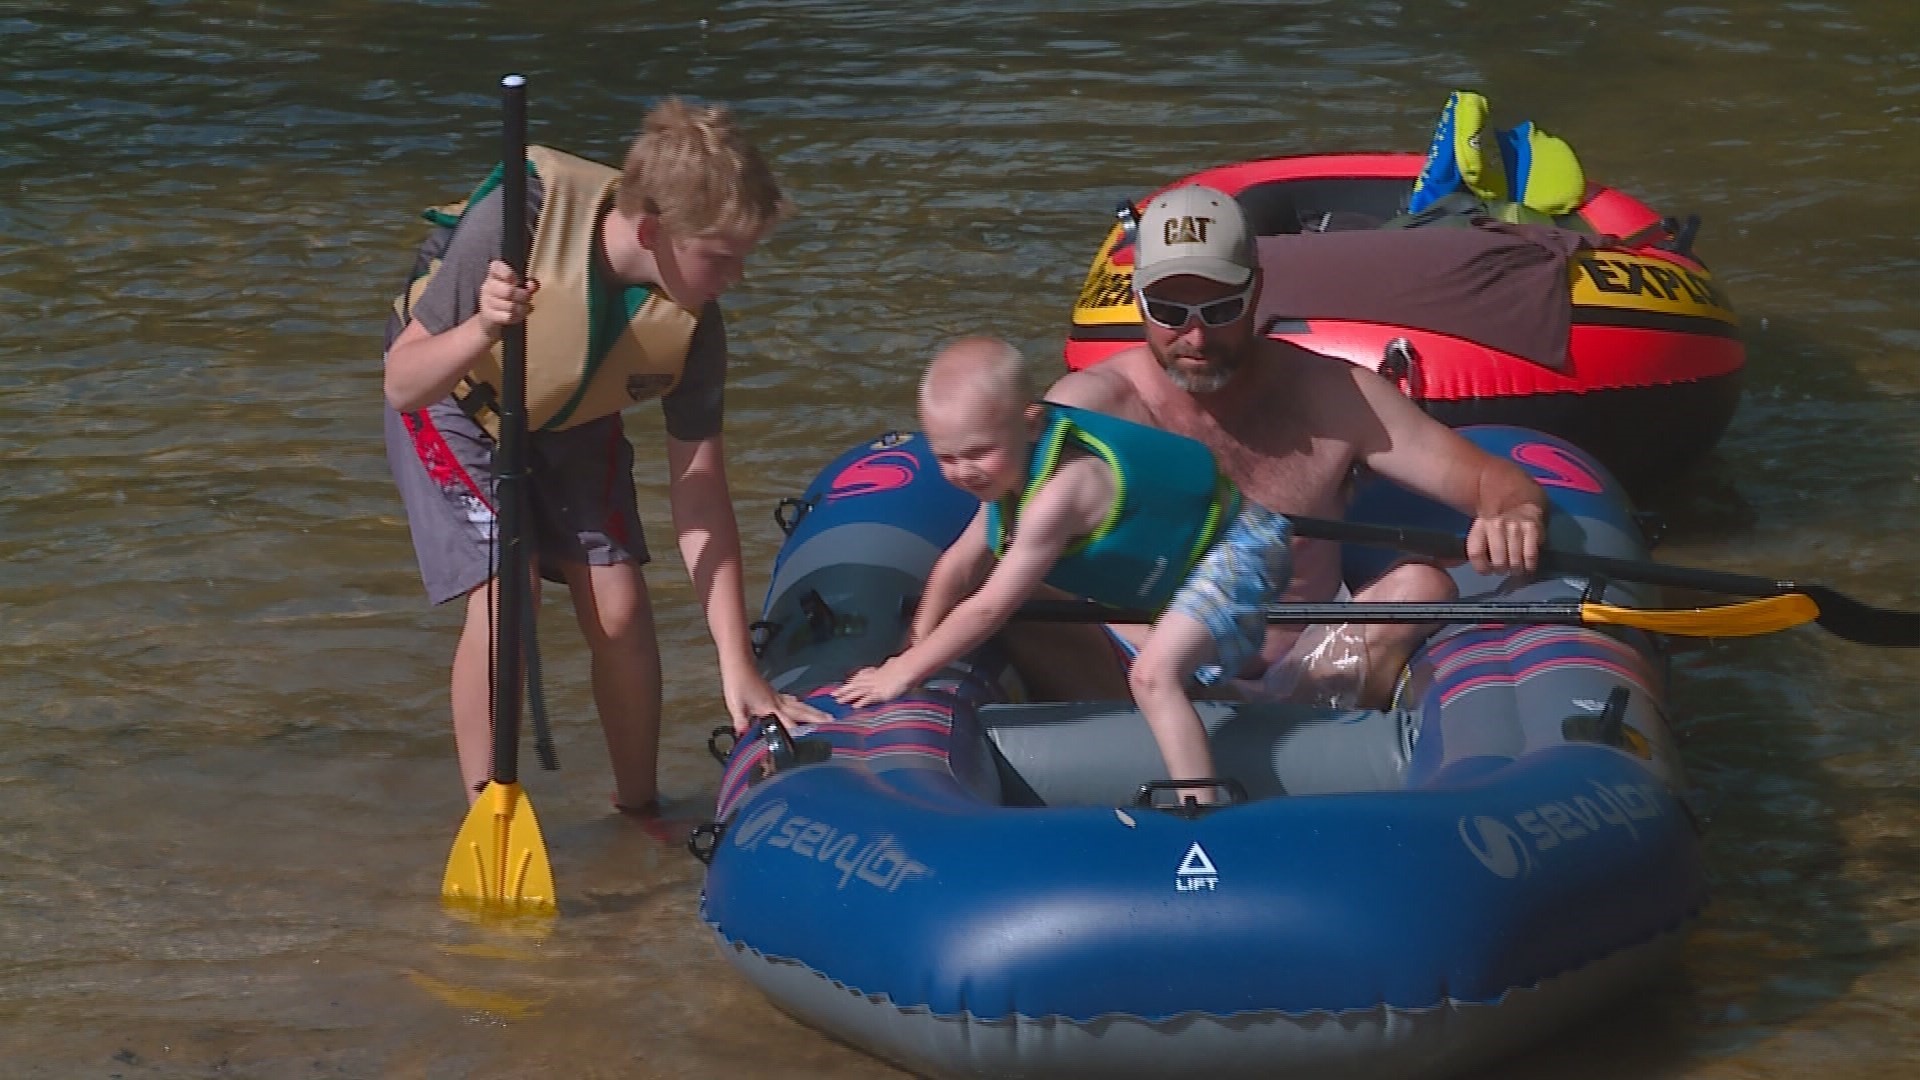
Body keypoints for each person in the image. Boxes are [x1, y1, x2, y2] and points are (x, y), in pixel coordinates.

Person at [382, 97, 824, 814]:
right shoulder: (511, 225)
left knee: (618, 607)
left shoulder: (693, 323)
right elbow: (403, 383)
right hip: (455, 392)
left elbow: (700, 488)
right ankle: (489, 815)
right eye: (722, 258)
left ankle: (638, 810)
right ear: (653, 229)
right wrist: (485, 326)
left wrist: (737, 663)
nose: (735, 278)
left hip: (571, 402)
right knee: (509, 592)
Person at [1043, 184, 1549, 708]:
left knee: (1421, 586)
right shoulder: (1088, 410)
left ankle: (1319, 739)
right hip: (1136, 673)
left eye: (1220, 310)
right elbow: (1005, 548)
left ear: (1256, 292)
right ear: (1137, 299)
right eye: (1170, 312)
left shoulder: (1335, 394)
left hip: (1308, 674)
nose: (1195, 337)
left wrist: (1514, 513)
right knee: (1023, 598)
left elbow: (1492, 481)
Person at [833, 337, 1293, 799]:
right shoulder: (1010, 477)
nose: (963, 472)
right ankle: (1257, 704)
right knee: (1155, 657)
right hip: (1186, 562)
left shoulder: (1057, 495)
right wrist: (915, 647)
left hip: (1238, 545)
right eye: (946, 458)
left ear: (1031, 424)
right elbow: (957, 566)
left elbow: (989, 607)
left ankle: (1201, 811)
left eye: (977, 453)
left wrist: (906, 671)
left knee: (1153, 676)